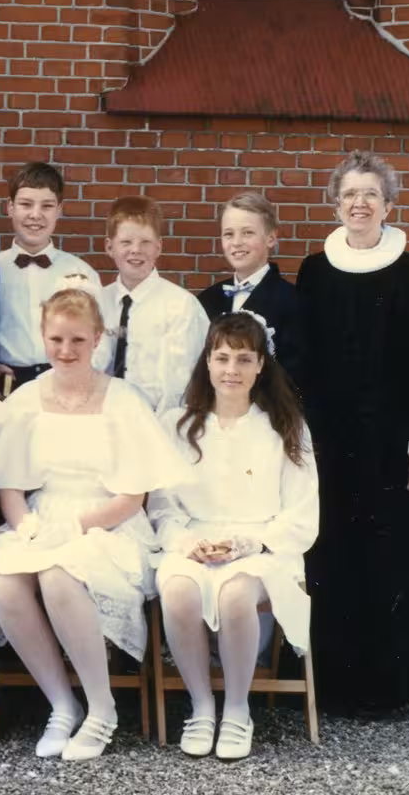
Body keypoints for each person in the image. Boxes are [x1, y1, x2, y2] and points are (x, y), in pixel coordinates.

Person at [0, 287, 186, 761]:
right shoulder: (28, 399)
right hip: (42, 517)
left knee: (59, 574)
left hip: (108, 522)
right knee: (3, 584)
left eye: (78, 339)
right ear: (42, 337)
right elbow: (9, 486)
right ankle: (62, 702)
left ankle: (102, 708)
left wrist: (76, 526)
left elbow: (133, 496)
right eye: (56, 339)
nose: (66, 350)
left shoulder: (122, 399)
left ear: (97, 338)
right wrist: (27, 527)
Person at [296, 150, 409, 713]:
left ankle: (393, 689)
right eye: (349, 194)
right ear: (335, 204)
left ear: (388, 203)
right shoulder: (315, 270)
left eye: (370, 194)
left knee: (391, 560)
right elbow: (303, 360)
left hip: (394, 448)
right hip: (332, 444)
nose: (359, 204)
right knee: (333, 556)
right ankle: (334, 686)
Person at [148, 312, 318, 760]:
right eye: (222, 357)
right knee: (179, 589)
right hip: (193, 539)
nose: (231, 370)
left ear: (261, 365)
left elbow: (302, 511)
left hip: (263, 543)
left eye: (244, 359)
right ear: (206, 361)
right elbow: (162, 504)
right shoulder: (177, 424)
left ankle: (238, 710)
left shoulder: (285, 427)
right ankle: (202, 706)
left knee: (236, 595)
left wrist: (249, 544)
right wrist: (185, 542)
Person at [0, 161, 99, 397]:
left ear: (59, 209)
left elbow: (100, 335)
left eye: (46, 206)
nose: (35, 215)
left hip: (66, 380)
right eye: (26, 204)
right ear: (10, 207)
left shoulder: (82, 272)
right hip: (8, 382)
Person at [96, 196, 209, 413]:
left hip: (159, 424)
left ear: (159, 247)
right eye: (126, 242)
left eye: (145, 242)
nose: (136, 250)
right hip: (101, 421)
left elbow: (186, 379)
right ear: (110, 247)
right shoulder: (96, 304)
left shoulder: (181, 306)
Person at [196, 192, 302, 385]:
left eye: (247, 233)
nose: (236, 242)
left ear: (271, 238)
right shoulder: (207, 300)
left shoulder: (294, 302)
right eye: (229, 234)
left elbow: (296, 376)